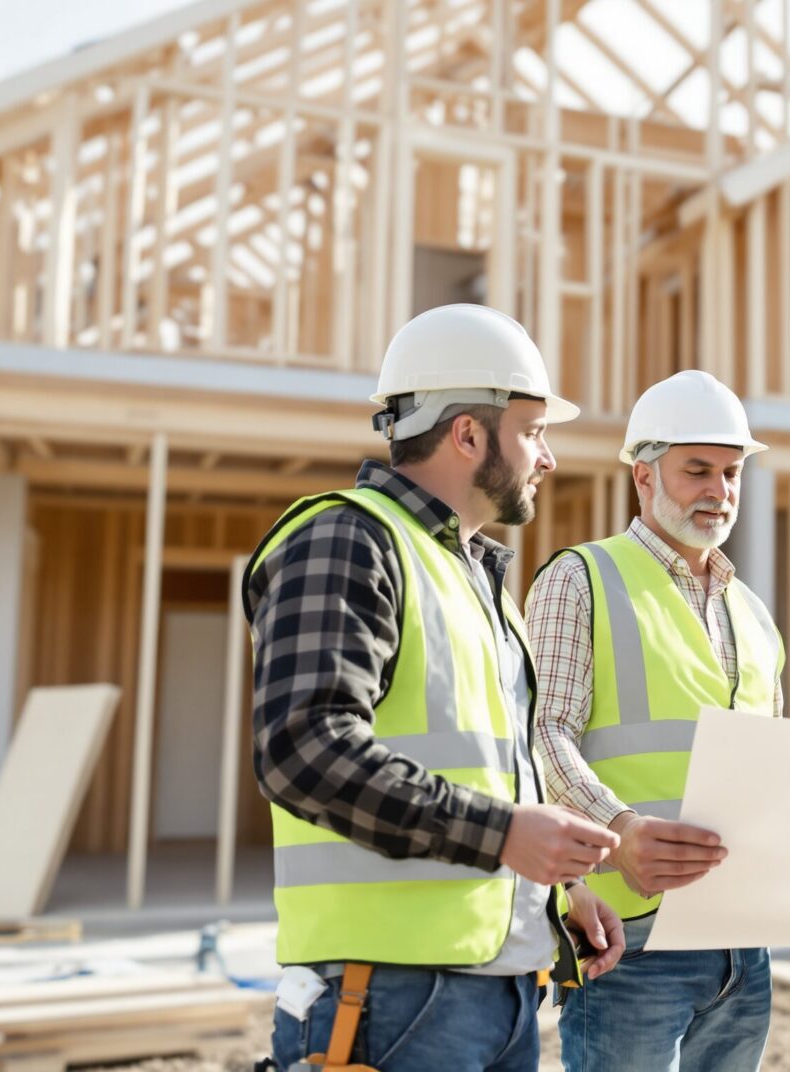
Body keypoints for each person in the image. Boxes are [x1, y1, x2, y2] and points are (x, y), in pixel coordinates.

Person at [247, 304, 622, 1072]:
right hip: (384, 998)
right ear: (468, 435)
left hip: (501, 994)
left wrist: (554, 893)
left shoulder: (473, 577)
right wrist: (506, 836)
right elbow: (302, 748)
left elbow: (483, 772)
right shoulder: (348, 539)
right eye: (534, 431)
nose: (547, 458)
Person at [526, 369, 786, 1071]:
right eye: (697, 470)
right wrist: (621, 830)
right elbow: (542, 732)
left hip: (743, 944)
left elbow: (772, 768)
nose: (720, 490)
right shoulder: (580, 578)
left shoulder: (754, 616)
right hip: (629, 939)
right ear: (643, 477)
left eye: (731, 473)